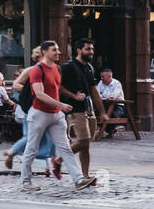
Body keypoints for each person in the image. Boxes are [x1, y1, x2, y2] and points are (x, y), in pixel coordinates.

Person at [21, 40, 94, 192]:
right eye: (54, 50)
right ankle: (26, 181)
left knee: (66, 148)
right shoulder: (37, 70)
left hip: (55, 115)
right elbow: (40, 94)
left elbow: (57, 90)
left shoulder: (57, 69)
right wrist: (61, 105)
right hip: (39, 113)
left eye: (58, 50)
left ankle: (78, 179)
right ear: (44, 52)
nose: (58, 52)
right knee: (32, 148)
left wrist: (73, 97)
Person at [5, 46, 60, 177]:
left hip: (47, 107)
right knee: (31, 137)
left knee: (50, 138)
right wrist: (34, 89)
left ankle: (49, 165)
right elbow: (16, 84)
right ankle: (12, 152)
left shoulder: (51, 70)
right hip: (32, 107)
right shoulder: (32, 69)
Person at [59, 39, 103, 180]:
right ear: (78, 50)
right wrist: (74, 96)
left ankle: (85, 175)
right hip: (75, 109)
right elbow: (58, 87)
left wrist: (102, 111)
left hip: (88, 109)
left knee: (86, 144)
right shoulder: (68, 67)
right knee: (83, 141)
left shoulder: (89, 67)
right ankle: (58, 160)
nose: (91, 52)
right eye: (87, 49)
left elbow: (94, 90)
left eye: (92, 49)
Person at [97, 68, 125, 132]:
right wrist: (105, 98)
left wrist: (103, 97)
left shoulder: (117, 84)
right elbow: (97, 94)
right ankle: (108, 130)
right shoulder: (100, 83)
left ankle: (107, 129)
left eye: (103, 77)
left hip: (118, 106)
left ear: (109, 76)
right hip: (105, 105)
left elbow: (113, 97)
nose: (101, 78)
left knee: (112, 115)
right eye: (101, 76)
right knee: (98, 112)